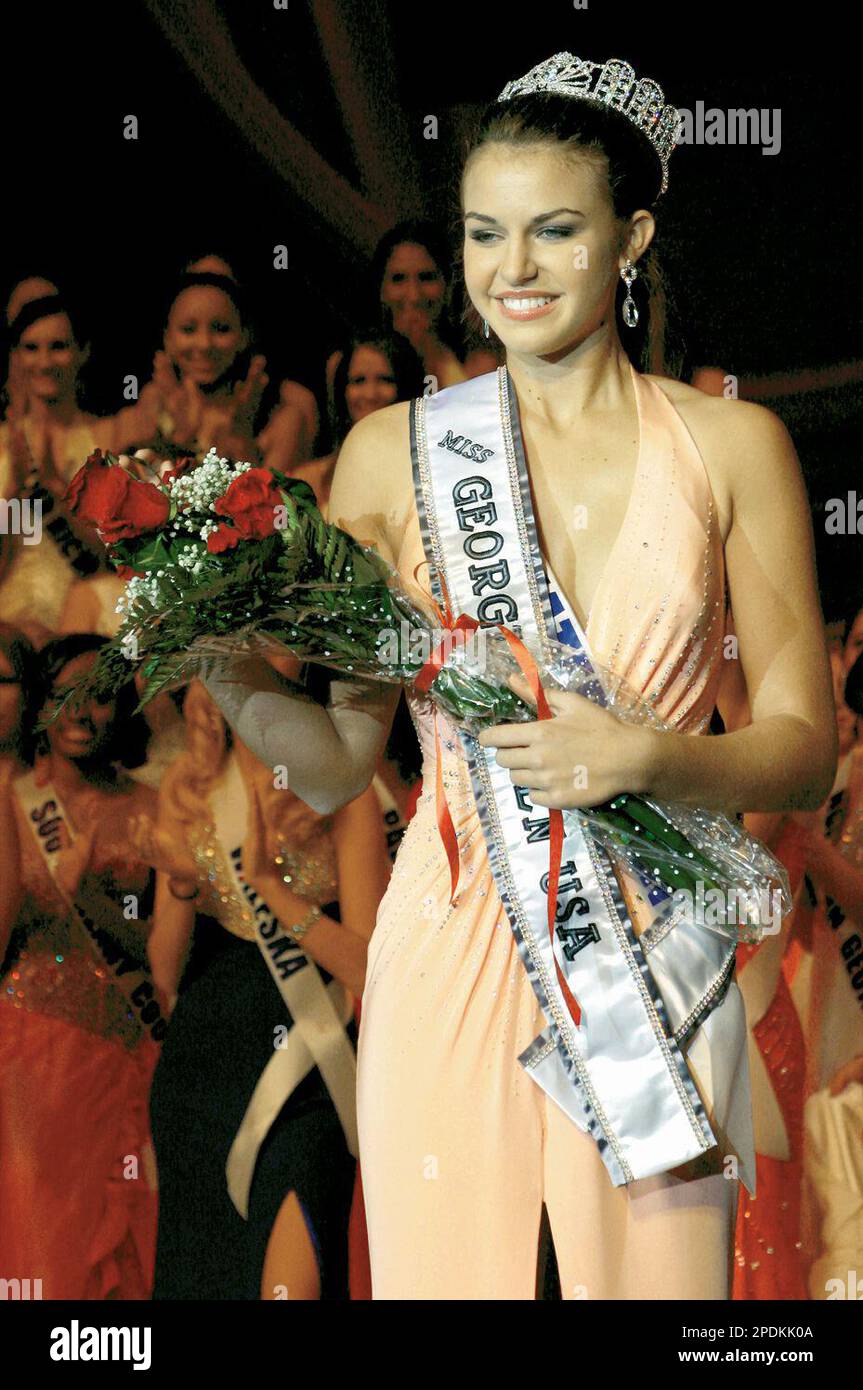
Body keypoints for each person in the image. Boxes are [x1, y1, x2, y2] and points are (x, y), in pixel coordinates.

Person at [203, 54, 837, 1299]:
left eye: (555, 230)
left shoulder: (729, 443)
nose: (515, 270)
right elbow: (337, 760)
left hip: (650, 943)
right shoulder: (394, 454)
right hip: (445, 935)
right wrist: (217, 658)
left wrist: (654, 755)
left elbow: (802, 741)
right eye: (485, 235)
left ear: (630, 236)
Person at [136, 679, 389, 1300]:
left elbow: (372, 970)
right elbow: (164, 975)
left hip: (313, 1057)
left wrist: (276, 894)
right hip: (208, 1057)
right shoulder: (189, 789)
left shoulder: (343, 796)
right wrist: (180, 882)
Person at [0, 634, 160, 1299]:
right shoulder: (11, 797)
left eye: (100, 698)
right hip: (34, 1052)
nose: (81, 714)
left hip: (130, 1052)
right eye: (64, 696)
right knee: (45, 1234)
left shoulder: (152, 803)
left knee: (122, 1242)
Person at [0, 283, 109, 639]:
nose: (45, 362)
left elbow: (107, 565)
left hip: (80, 626)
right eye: (32, 348)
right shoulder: (3, 442)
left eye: (59, 347)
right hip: (9, 626)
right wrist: (12, 493)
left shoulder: (104, 441)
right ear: (16, 357)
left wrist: (58, 495)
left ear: (83, 351)